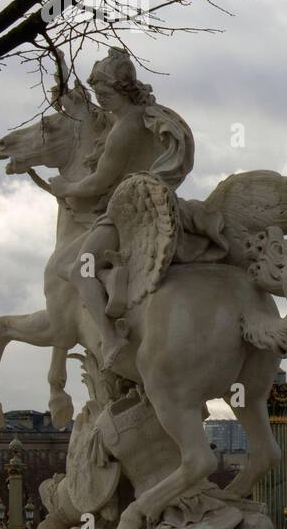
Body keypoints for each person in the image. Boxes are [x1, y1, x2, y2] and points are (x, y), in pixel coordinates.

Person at [47, 48, 196, 369]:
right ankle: (112, 276)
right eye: (97, 93)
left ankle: (110, 337)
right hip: (142, 206)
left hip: (122, 214)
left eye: (105, 93)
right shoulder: (142, 118)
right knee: (65, 264)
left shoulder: (124, 128)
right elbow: (82, 113)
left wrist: (65, 187)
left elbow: (99, 182)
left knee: (77, 270)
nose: (100, 99)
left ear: (122, 90)